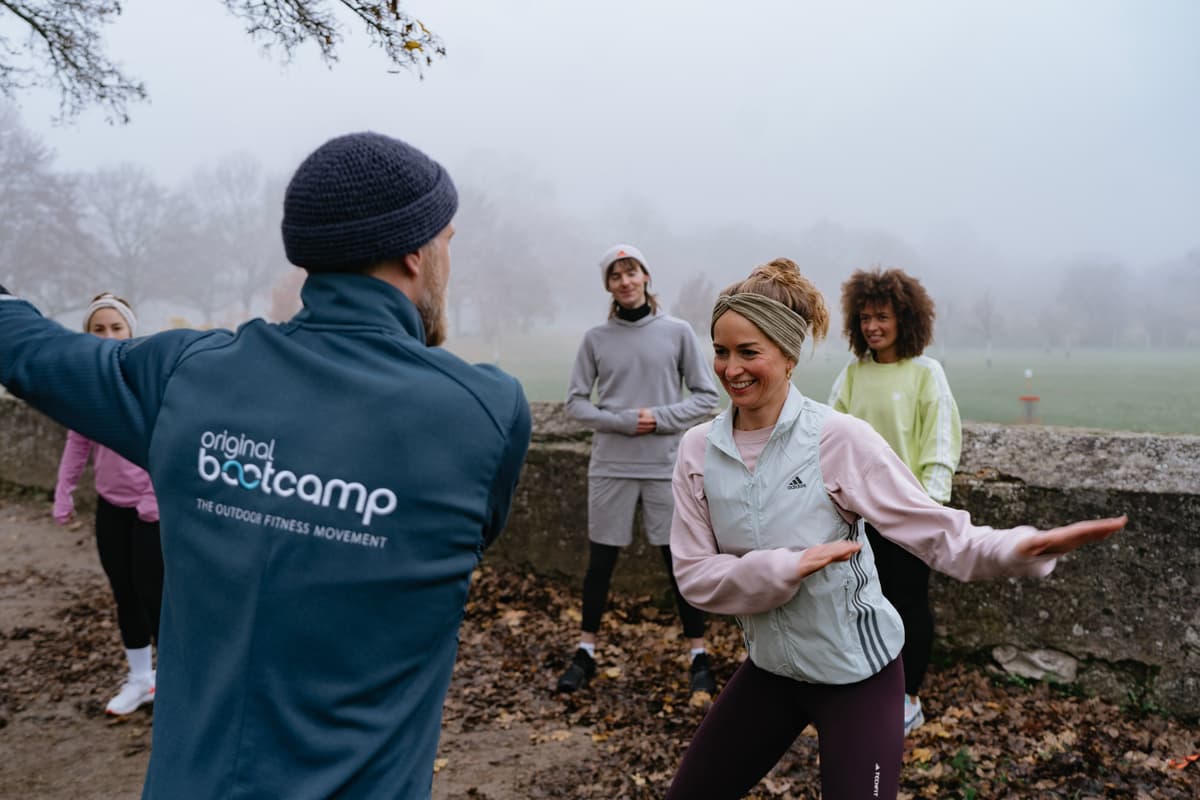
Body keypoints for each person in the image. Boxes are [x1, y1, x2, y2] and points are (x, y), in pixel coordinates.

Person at [0, 132, 532, 800]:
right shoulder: (485, 414)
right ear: (415, 253)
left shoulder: (188, 379)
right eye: (448, 240)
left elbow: (28, 349)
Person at [663, 258, 1126, 800]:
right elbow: (693, 575)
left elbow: (940, 534)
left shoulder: (837, 440)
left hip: (858, 676)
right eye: (720, 351)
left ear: (788, 356)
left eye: (749, 352)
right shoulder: (698, 450)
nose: (731, 368)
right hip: (771, 670)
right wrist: (786, 568)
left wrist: (1019, 547)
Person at [556, 244, 721, 695]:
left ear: (646, 276)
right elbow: (575, 403)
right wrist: (624, 422)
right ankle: (585, 652)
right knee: (600, 563)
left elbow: (706, 396)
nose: (625, 281)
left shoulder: (677, 332)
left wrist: (659, 418)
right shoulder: (595, 339)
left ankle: (698, 655)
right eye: (616, 276)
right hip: (610, 465)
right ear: (608, 286)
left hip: (665, 466)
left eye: (632, 272)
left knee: (677, 561)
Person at [828, 267, 959, 735]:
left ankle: (909, 699)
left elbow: (939, 445)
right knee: (862, 604)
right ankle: (870, 690)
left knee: (909, 604)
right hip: (859, 516)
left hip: (909, 515)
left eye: (882, 317)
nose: (872, 327)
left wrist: (930, 510)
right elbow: (828, 439)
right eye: (865, 318)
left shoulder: (927, 374)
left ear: (905, 319)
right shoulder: (852, 375)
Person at [53, 292, 163, 716]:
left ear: (131, 330)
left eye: (116, 327)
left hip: (152, 513)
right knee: (125, 593)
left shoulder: (146, 380)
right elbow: (77, 442)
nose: (108, 335)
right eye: (98, 329)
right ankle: (141, 679)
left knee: (156, 596)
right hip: (110, 507)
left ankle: (175, 683)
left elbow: (164, 440)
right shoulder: (87, 387)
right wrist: (63, 491)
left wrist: (152, 497)